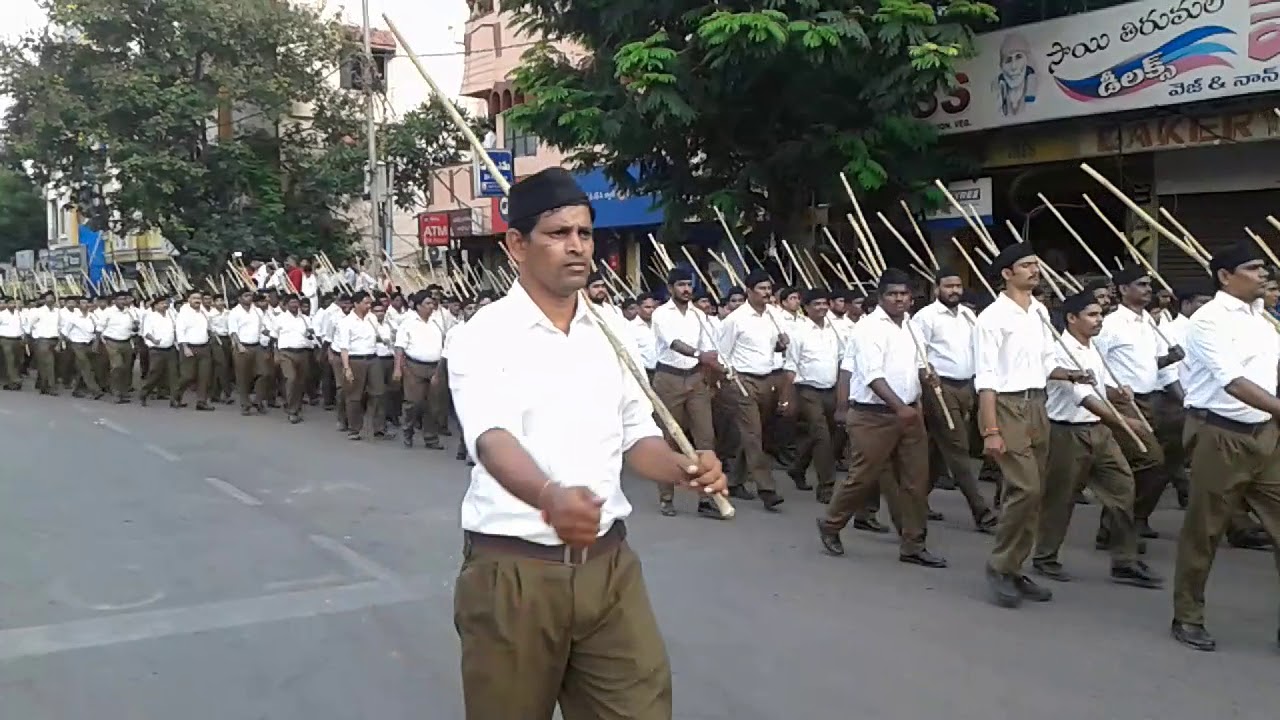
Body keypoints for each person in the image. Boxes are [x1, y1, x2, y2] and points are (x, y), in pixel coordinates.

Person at [447, 167, 725, 720]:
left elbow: (636, 435)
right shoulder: (482, 335)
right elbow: (491, 438)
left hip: (609, 566)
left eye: (585, 233)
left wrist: (682, 467)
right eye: (558, 234)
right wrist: (550, 497)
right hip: (515, 573)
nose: (577, 246)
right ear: (516, 245)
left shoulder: (611, 334)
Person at [1171, 244, 1280, 652]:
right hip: (1219, 433)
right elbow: (1232, 381)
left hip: (1266, 433)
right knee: (1205, 530)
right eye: (1253, 267)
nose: (1264, 273)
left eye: (1264, 267)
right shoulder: (1208, 321)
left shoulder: (1262, 319)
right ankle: (1188, 615)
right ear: (1225, 276)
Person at [975, 243, 1090, 608]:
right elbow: (986, 378)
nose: (1034, 270)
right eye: (1025, 265)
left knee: (1035, 491)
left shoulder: (1040, 311)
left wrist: (1071, 374)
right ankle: (1000, 565)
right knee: (1025, 488)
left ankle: (1014, 567)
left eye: (1035, 264)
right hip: (1006, 405)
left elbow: (1045, 363)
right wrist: (990, 430)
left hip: (1038, 403)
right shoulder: (991, 318)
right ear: (1007, 274)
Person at [1030, 290, 1162, 588]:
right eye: (1091, 315)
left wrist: (1117, 393)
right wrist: (1124, 422)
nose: (1098, 320)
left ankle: (1125, 561)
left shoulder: (1094, 348)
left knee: (1123, 487)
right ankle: (1045, 556)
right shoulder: (1060, 351)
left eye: (1100, 314)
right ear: (1071, 318)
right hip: (1066, 432)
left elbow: (1099, 390)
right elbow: (1084, 397)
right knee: (1060, 499)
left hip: (1099, 431)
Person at [817, 269, 947, 568]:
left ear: (911, 297)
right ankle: (831, 523)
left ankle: (913, 544)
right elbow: (872, 375)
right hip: (873, 415)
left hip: (909, 413)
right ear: (880, 297)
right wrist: (899, 407)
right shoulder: (868, 328)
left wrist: (927, 376)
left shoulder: (912, 326)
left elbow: (917, 364)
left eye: (904, 294)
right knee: (862, 477)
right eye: (892, 294)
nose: (899, 299)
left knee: (915, 481)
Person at [911, 267, 997, 532]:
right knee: (957, 447)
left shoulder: (969, 315)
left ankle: (913, 502)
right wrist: (927, 376)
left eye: (958, 286)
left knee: (939, 450)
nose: (954, 291)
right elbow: (917, 354)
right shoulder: (925, 317)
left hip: (966, 387)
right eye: (948, 286)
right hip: (939, 388)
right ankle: (981, 512)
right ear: (937, 288)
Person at [649, 267, 721, 517]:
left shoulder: (699, 315)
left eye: (689, 285)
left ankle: (706, 498)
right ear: (670, 288)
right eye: (680, 285)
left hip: (696, 377)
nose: (686, 289)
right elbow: (675, 344)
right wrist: (701, 355)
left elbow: (709, 348)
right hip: (668, 378)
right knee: (669, 439)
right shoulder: (661, 314)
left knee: (706, 439)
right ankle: (666, 497)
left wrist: (714, 371)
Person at [779, 288, 842, 503]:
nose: (822, 307)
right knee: (822, 436)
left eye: (824, 303)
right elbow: (790, 366)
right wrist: (786, 397)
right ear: (806, 308)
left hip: (831, 389)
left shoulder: (833, 329)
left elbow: (841, 359)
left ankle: (798, 467)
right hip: (807, 389)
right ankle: (826, 487)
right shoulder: (799, 332)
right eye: (816, 304)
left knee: (825, 435)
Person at [175, 290, 215, 411]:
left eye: (199, 298)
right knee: (188, 376)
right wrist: (185, 347)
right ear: (189, 300)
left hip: (204, 347)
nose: (197, 300)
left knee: (204, 376)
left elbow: (209, 327)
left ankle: (201, 402)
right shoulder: (184, 314)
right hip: (189, 347)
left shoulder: (203, 312)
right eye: (194, 298)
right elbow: (180, 331)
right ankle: (176, 396)